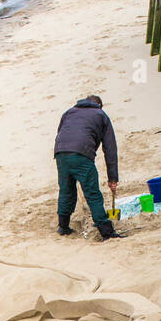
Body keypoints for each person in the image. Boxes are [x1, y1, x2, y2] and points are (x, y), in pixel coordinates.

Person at [54, 94, 119, 240]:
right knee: (92, 193)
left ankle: (63, 227)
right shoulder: (101, 115)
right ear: (99, 106)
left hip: (60, 152)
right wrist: (113, 178)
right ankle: (106, 232)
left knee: (66, 189)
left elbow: (61, 133)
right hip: (81, 153)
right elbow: (110, 149)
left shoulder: (69, 112)